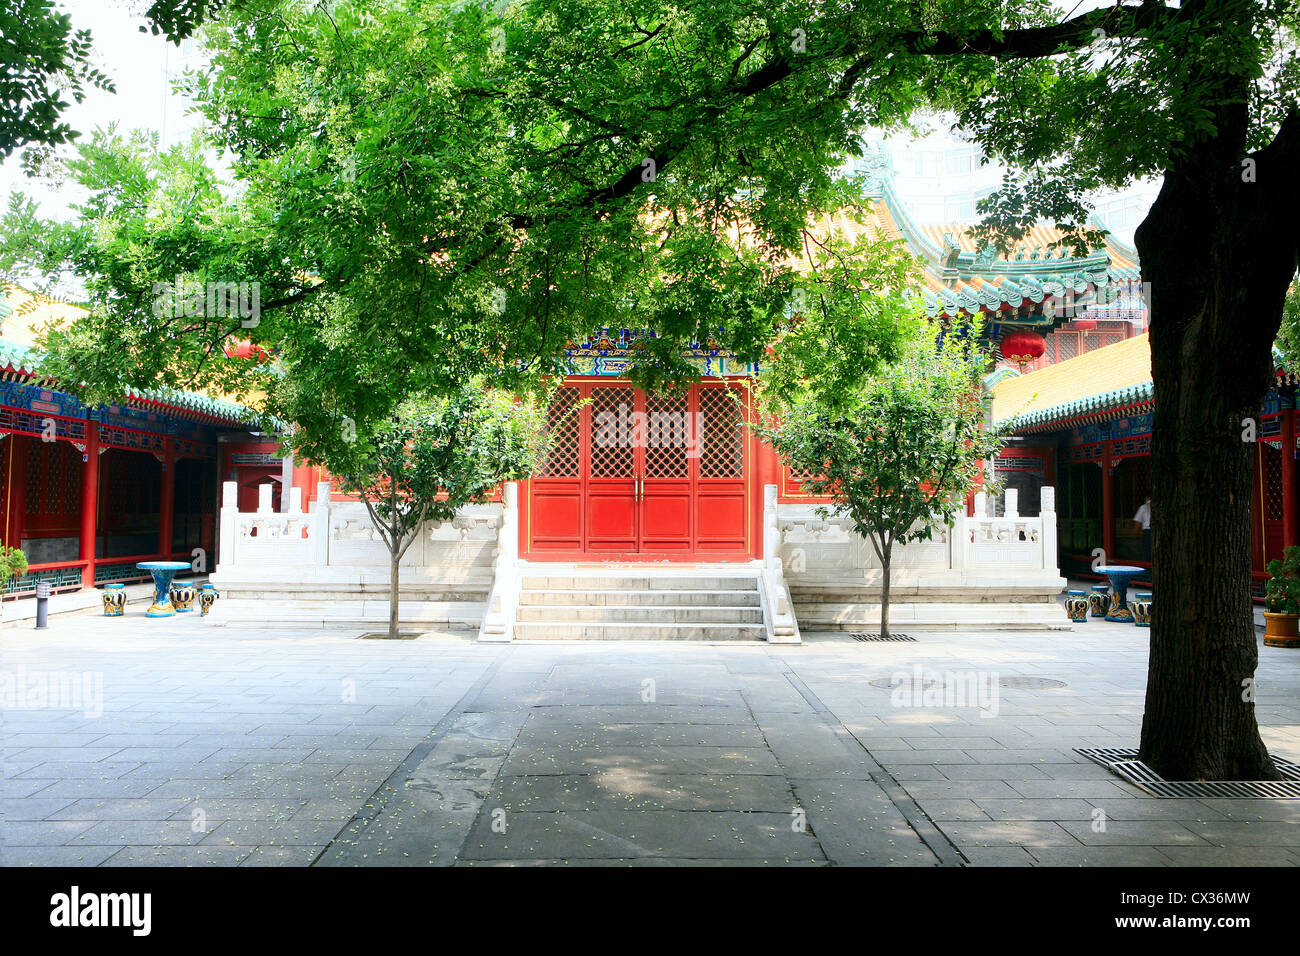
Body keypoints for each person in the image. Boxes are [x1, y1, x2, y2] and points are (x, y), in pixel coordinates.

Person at [1133, 495, 1152, 564]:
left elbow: (1138, 522)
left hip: (1148, 532)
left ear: (1147, 498)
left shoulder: (1143, 507)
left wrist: (1135, 532)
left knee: (1148, 552)